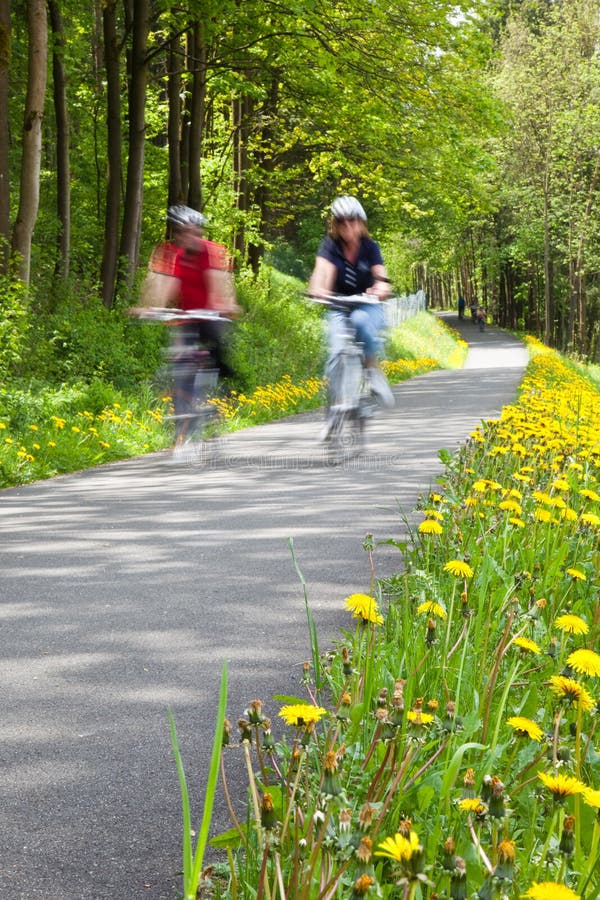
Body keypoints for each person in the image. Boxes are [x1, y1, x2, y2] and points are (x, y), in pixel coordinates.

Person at [308, 195, 394, 409]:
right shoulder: (330, 245)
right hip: (338, 304)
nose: (347, 225)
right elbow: (322, 270)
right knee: (336, 348)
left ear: (361, 222)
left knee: (362, 322)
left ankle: (373, 371)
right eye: (341, 221)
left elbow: (380, 274)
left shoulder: (369, 247)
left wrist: (381, 285)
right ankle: (336, 406)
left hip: (367, 304)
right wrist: (318, 289)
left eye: (352, 220)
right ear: (335, 224)